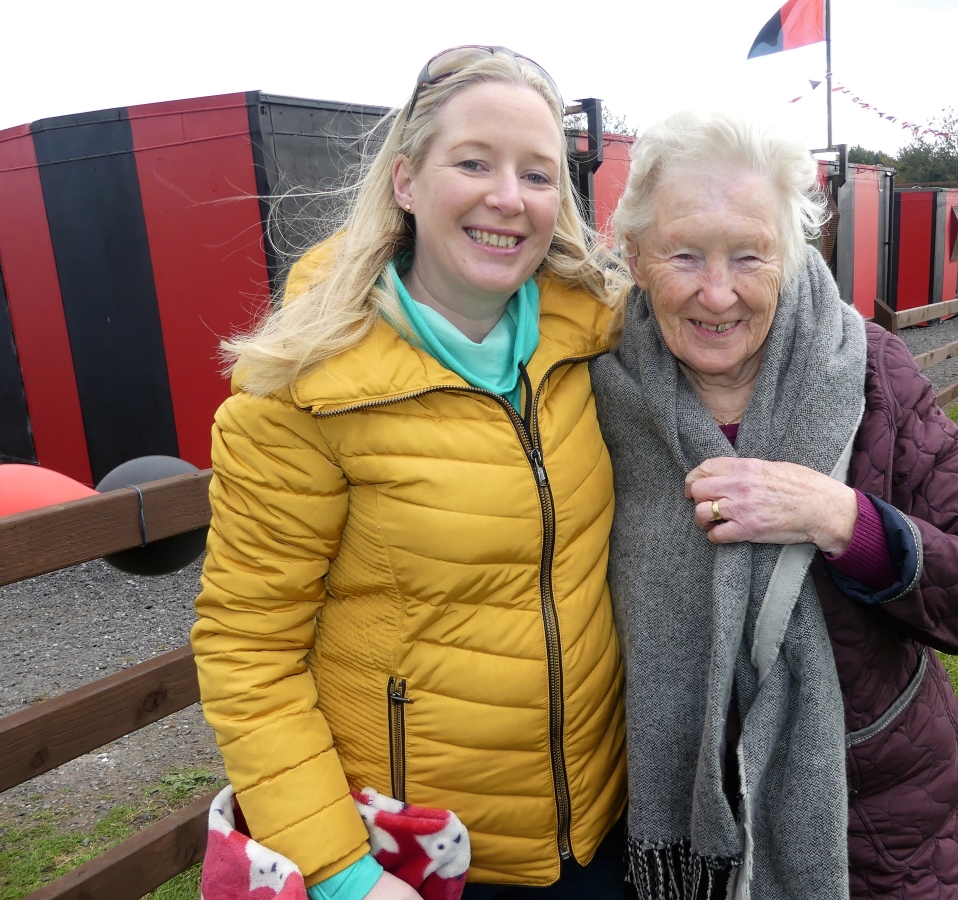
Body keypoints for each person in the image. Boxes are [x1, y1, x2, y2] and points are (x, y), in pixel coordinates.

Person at [192, 49, 629, 900]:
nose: (508, 197)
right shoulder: (304, 388)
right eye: (473, 162)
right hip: (423, 860)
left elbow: (727, 299)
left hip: (601, 828)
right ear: (405, 182)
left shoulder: (598, 339)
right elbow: (249, 651)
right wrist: (342, 874)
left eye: (537, 174)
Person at [591, 111, 958, 900]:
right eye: (684, 254)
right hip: (677, 826)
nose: (717, 293)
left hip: (877, 828)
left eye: (750, 255)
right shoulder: (594, 397)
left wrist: (842, 520)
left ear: (790, 257)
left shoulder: (870, 373)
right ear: (636, 258)